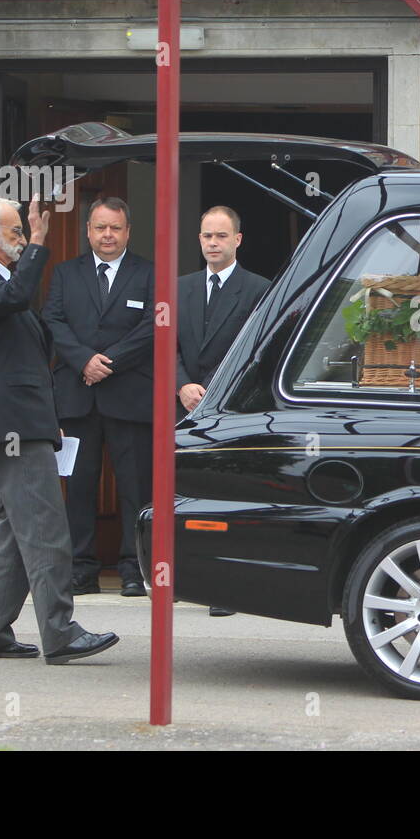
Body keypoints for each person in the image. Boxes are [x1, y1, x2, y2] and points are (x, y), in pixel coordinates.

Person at [0, 196, 118, 664]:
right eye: (16, 232)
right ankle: (61, 632)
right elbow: (15, 298)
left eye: (25, 234)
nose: (22, 240)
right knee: (45, 528)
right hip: (11, 426)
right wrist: (40, 246)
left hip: (24, 423)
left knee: (15, 532)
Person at [42, 196, 154, 599]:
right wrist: (83, 360)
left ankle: (131, 567)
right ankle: (81, 568)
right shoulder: (65, 274)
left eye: (116, 228)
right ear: (88, 230)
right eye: (101, 227)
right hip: (78, 396)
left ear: (128, 231)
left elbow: (153, 326)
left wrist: (110, 362)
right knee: (79, 486)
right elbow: (53, 320)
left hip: (129, 397)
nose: (108, 235)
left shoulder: (149, 274)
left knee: (134, 488)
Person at [177, 205, 270, 617]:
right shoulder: (180, 287)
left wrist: (212, 390)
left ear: (237, 240)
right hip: (182, 404)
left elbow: (254, 352)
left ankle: (221, 587)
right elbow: (165, 344)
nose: (212, 243)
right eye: (205, 236)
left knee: (220, 499)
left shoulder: (259, 289)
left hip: (229, 409)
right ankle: (180, 577)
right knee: (177, 495)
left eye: (220, 236)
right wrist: (182, 384)